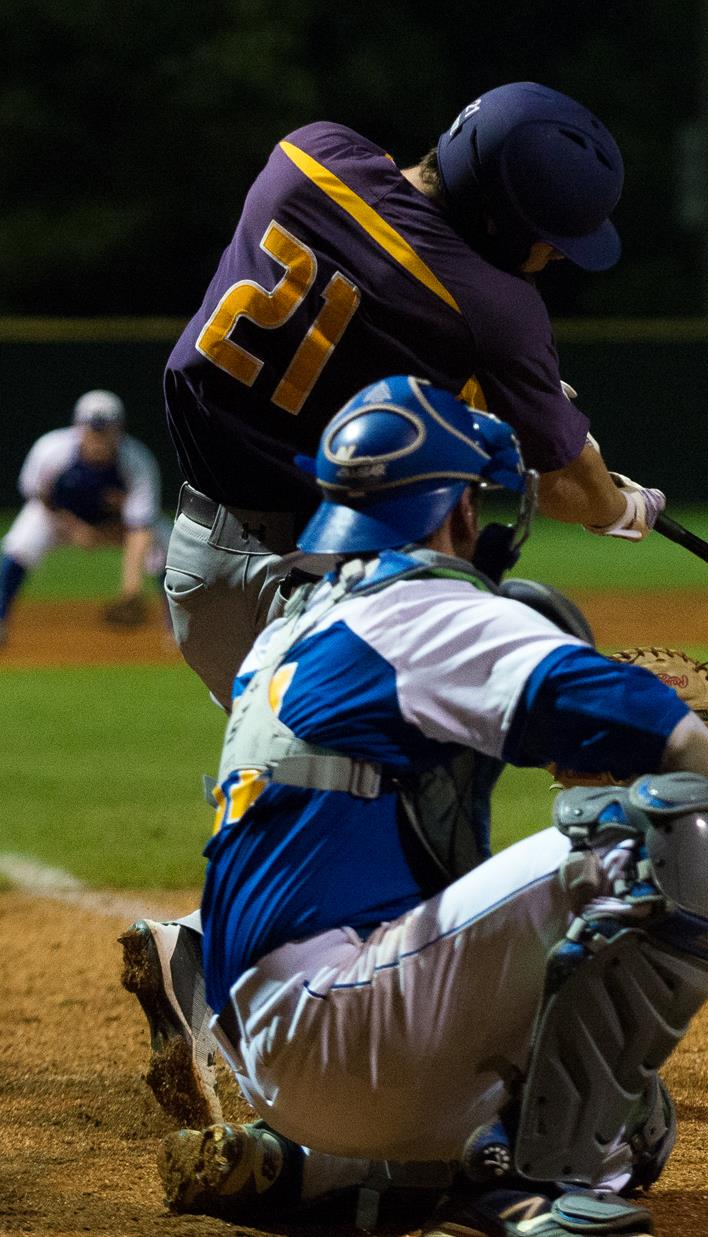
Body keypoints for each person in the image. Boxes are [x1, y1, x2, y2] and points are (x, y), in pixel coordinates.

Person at [125, 81, 670, 1134]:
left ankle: (204, 950)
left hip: (203, 566)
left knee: (319, 801)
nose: (558, 257)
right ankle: (378, 1071)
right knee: (428, 802)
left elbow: (378, 304)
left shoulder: (307, 154)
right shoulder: (496, 307)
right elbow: (569, 488)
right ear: (504, 220)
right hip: (326, 592)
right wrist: (627, 506)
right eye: (551, 238)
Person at [155, 377, 708, 1237]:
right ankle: (528, 1196)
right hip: (340, 1019)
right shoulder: (428, 606)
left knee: (638, 1125)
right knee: (676, 829)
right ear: (448, 511)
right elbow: (658, 723)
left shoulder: (291, 627)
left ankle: (324, 1171)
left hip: (277, 1047)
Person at [0, 389, 164, 647]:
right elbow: (41, 499)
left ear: (119, 429)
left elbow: (140, 526)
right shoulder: (51, 450)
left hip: (116, 526)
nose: (98, 436)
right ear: (78, 427)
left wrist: (131, 587)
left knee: (167, 546)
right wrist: (75, 530)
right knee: (19, 543)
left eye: (105, 429)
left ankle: (178, 630)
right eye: (92, 428)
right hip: (58, 519)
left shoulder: (137, 460)